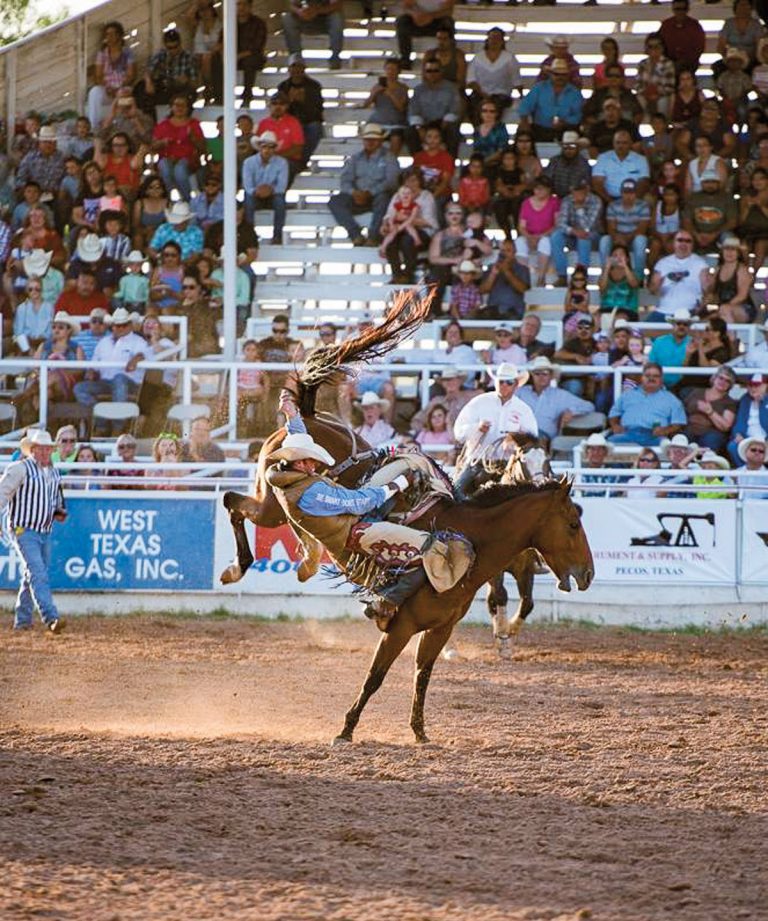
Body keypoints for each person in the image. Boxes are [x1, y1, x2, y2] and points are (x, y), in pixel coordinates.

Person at [269, 399, 466, 627]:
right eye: (310, 460)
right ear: (299, 463)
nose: (315, 465)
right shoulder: (309, 493)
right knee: (426, 545)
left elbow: (299, 442)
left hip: (354, 519)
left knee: (407, 463)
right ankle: (386, 599)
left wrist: (292, 416)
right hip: (354, 533)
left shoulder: (289, 475)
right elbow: (358, 503)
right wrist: (399, 485)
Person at [0, 429, 67, 633]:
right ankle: (50, 617)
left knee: (33, 574)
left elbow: (56, 499)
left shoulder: (54, 472)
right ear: (33, 449)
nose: (46, 452)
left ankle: (22, 620)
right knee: (38, 572)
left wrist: (58, 511)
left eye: (48, 449)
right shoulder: (20, 468)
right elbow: (2, 493)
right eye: (41, 448)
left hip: (43, 529)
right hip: (23, 529)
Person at [453, 362, 538, 495]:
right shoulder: (479, 402)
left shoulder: (524, 410)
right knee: (456, 493)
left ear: (516, 384)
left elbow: (532, 440)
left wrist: (515, 442)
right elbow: (459, 432)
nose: (504, 385)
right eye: (501, 381)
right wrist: (477, 428)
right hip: (478, 463)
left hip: (510, 466)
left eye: (509, 382)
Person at [328, 125, 400, 246]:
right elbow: (345, 179)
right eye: (367, 139)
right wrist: (353, 192)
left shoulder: (389, 157)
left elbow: (391, 182)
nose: (370, 142)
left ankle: (374, 236)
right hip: (358, 196)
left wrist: (370, 192)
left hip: (378, 196)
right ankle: (355, 234)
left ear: (381, 141)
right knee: (334, 201)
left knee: (384, 198)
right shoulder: (356, 158)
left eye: (374, 139)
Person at [73, 306, 146, 412]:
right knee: (79, 388)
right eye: (117, 325)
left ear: (130, 326)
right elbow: (94, 363)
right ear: (112, 326)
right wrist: (91, 370)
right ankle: (101, 417)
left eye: (123, 325)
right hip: (106, 383)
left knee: (119, 378)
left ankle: (118, 426)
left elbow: (144, 354)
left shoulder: (138, 341)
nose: (120, 328)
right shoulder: (104, 342)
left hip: (130, 384)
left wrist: (136, 358)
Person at [517, 355, 594, 443]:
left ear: (551, 376)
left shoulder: (560, 395)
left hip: (543, 437)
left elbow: (588, 406)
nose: (541, 376)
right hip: (520, 434)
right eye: (537, 373)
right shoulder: (522, 392)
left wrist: (572, 412)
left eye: (545, 373)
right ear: (532, 376)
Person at [607, 362, 687, 446]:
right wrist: (615, 426)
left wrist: (665, 431)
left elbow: (678, 423)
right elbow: (614, 414)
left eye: (655, 376)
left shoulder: (671, 399)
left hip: (654, 436)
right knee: (608, 446)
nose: (651, 378)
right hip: (627, 433)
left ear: (661, 378)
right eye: (647, 375)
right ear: (642, 377)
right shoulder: (627, 395)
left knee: (667, 447)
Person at [211, 0, 266, 105]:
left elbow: (257, 47)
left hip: (251, 57)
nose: (241, 7)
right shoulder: (230, 22)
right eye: (238, 4)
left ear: (250, 6)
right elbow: (221, 41)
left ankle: (246, 97)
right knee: (215, 59)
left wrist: (238, 56)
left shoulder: (259, 23)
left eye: (244, 4)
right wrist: (221, 51)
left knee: (250, 61)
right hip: (233, 57)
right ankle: (219, 98)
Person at [646, 231, 710, 321]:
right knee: (639, 332)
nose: (683, 243)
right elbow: (652, 290)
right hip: (663, 311)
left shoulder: (700, 264)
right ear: (674, 243)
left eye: (688, 241)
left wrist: (702, 305)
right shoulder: (663, 263)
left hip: (689, 311)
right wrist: (657, 285)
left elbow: (707, 290)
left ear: (693, 245)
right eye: (680, 240)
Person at [517, 59, 583, 143]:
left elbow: (578, 115)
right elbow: (524, 107)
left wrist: (565, 122)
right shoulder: (539, 88)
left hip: (566, 130)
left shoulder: (575, 93)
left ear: (568, 75)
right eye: (556, 74)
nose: (560, 77)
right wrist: (524, 122)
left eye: (563, 74)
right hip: (540, 129)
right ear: (550, 74)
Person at [407, 56, 462, 156]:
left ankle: (449, 164)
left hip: (443, 124)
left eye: (435, 70)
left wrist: (440, 129)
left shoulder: (451, 88)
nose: (432, 74)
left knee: (453, 129)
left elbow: (455, 109)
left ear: (441, 71)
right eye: (429, 71)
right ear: (425, 72)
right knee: (410, 131)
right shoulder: (418, 90)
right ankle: (419, 163)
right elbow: (413, 111)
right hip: (425, 123)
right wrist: (419, 128)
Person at [550, 178, 602, 285]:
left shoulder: (596, 201)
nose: (578, 193)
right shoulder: (567, 200)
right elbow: (561, 223)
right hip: (572, 234)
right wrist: (573, 231)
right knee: (556, 236)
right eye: (575, 190)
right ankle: (562, 276)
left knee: (584, 239)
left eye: (581, 190)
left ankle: (582, 275)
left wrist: (579, 209)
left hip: (592, 236)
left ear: (587, 189)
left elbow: (588, 227)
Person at [87, 21, 137, 132]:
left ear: (119, 35)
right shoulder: (102, 53)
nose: (108, 37)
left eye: (112, 34)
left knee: (122, 93)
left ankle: (115, 128)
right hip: (107, 89)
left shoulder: (128, 53)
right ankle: (94, 128)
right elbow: (98, 76)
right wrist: (107, 87)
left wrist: (118, 88)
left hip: (123, 88)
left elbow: (131, 75)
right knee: (94, 92)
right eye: (107, 34)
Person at [599, 178, 651, 281]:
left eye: (631, 193)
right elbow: (611, 228)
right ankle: (605, 274)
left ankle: (639, 278)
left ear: (636, 193)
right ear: (621, 193)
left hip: (634, 238)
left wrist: (626, 239)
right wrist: (618, 238)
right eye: (626, 193)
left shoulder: (643, 206)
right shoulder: (613, 206)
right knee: (604, 240)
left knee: (640, 240)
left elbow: (642, 229)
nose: (628, 196)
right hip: (617, 238)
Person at [242, 131, 288, 246]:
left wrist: (269, 190)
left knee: (280, 201)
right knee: (248, 198)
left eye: (271, 147)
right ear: (259, 147)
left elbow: (282, 187)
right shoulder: (248, 162)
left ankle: (277, 236)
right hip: (256, 195)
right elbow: (248, 186)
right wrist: (258, 191)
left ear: (274, 148)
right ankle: (249, 236)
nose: (267, 150)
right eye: (264, 146)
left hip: (272, 196)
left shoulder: (282, 163)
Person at [137, 28, 199, 114]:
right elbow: (148, 71)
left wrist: (187, 80)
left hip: (181, 88)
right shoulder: (161, 55)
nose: (173, 50)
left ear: (180, 43)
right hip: (165, 87)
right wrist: (148, 82)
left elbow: (195, 83)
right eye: (170, 48)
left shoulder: (188, 57)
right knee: (142, 87)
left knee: (187, 94)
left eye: (175, 47)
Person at [277, 53, 324, 163]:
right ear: (289, 69)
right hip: (290, 122)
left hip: (309, 121)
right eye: (294, 66)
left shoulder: (314, 86)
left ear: (304, 68)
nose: (297, 70)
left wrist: (304, 101)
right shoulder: (283, 87)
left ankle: (302, 161)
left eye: (299, 66)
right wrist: (290, 101)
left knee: (315, 128)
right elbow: (279, 109)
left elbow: (318, 110)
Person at [466, 28, 518, 125]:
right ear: (487, 40)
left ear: (502, 41)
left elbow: (516, 81)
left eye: (497, 38)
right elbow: (471, 80)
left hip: (501, 95)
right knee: (474, 107)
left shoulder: (509, 58)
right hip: (480, 94)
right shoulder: (478, 58)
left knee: (494, 109)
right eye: (492, 38)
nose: (494, 41)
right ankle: (479, 133)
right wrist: (484, 95)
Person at [683, 365, 738, 453]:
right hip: (689, 428)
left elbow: (726, 426)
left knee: (711, 440)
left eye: (727, 381)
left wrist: (710, 412)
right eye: (721, 378)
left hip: (710, 433)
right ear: (714, 378)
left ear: (730, 386)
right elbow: (683, 410)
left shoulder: (729, 402)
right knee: (681, 439)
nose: (723, 382)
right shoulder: (697, 392)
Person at [683, 170, 739, 254]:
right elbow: (686, 221)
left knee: (730, 239)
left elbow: (732, 222)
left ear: (718, 183)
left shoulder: (727, 198)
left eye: (713, 182)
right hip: (697, 233)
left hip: (719, 233)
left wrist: (714, 234)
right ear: (701, 184)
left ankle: (730, 266)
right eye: (707, 182)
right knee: (682, 237)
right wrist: (696, 234)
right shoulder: (693, 197)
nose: (710, 185)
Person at [362, 58, 409, 155]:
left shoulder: (403, 88)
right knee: (372, 138)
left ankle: (391, 163)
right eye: (388, 69)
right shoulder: (377, 86)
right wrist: (374, 93)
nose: (390, 72)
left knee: (396, 138)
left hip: (396, 123)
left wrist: (390, 94)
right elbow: (366, 104)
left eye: (393, 69)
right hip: (377, 123)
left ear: (398, 71)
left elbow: (401, 108)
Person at [592, 129, 650, 204]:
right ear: (613, 143)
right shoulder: (602, 158)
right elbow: (597, 184)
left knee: (649, 200)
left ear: (630, 144)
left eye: (624, 143)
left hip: (634, 197)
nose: (620, 146)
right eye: (618, 143)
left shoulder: (641, 159)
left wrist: (633, 200)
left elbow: (644, 183)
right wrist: (611, 202)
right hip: (607, 198)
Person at [282, 0, 344, 71]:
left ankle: (335, 61)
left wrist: (317, 11)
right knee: (287, 18)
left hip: (325, 19)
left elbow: (337, 4)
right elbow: (290, 5)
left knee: (337, 18)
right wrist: (299, 11)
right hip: (303, 17)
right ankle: (296, 61)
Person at [256, 92, 305, 179]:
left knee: (283, 167)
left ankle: (278, 192)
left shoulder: (293, 122)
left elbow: (298, 148)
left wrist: (276, 157)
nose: (278, 107)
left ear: (287, 106)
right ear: (269, 105)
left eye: (282, 104)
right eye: (274, 103)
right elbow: (258, 146)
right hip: (266, 158)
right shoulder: (263, 123)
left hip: (289, 159)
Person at [477, 238, 530, 321]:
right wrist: (493, 274)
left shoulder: (522, 269)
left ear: (514, 253)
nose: (504, 253)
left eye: (508, 250)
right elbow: (482, 290)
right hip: (493, 310)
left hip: (513, 310)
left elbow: (522, 289)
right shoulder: (491, 268)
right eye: (502, 250)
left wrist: (507, 271)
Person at [410, 368, 476, 433]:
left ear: (459, 382)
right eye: (446, 380)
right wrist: (428, 433)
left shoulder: (468, 400)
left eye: (453, 379)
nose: (450, 382)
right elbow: (416, 421)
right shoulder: (437, 401)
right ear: (442, 383)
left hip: (464, 441)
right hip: (440, 442)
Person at [395, 0, 455, 71]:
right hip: (417, 19)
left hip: (437, 21)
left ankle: (450, 58)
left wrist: (430, 16)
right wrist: (415, 14)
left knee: (448, 22)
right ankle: (405, 59)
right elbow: (406, 6)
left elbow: (448, 10)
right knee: (402, 21)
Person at [709, 236, 755, 323]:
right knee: (705, 318)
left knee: (725, 310)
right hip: (723, 307)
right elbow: (713, 293)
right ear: (722, 251)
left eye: (733, 249)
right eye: (726, 249)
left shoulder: (742, 270)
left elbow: (742, 295)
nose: (729, 252)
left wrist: (724, 307)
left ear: (738, 253)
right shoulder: (717, 270)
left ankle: (730, 336)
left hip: (744, 308)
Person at [728, 372, 768, 463]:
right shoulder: (745, 399)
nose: (753, 388)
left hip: (765, 439)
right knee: (733, 446)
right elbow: (740, 421)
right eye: (751, 385)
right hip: (747, 438)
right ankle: (744, 471)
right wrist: (738, 434)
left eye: (757, 385)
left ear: (765, 386)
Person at [648, 309, 693, 389]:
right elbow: (651, 364)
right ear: (673, 324)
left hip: (686, 386)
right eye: (678, 323)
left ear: (689, 326)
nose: (681, 327)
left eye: (685, 324)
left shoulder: (693, 343)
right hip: (659, 385)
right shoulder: (659, 341)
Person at [658, 0, 706, 73]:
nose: (680, 12)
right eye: (677, 9)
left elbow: (699, 47)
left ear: (687, 10)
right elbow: (659, 43)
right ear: (673, 9)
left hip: (689, 62)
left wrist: (685, 60)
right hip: (668, 61)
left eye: (683, 9)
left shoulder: (695, 26)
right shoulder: (666, 25)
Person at [542, 131, 592, 201]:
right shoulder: (554, 161)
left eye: (572, 146)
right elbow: (546, 182)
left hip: (576, 200)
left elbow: (587, 185)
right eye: (565, 147)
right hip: (555, 199)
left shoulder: (584, 164)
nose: (568, 150)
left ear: (578, 148)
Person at [636, 33, 676, 117]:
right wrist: (647, 93)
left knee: (663, 101)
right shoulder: (642, 64)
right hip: (645, 96)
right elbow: (638, 85)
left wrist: (656, 94)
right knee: (638, 99)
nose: (654, 49)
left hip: (661, 96)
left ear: (662, 48)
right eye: (650, 46)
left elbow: (669, 87)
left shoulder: (668, 64)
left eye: (657, 46)